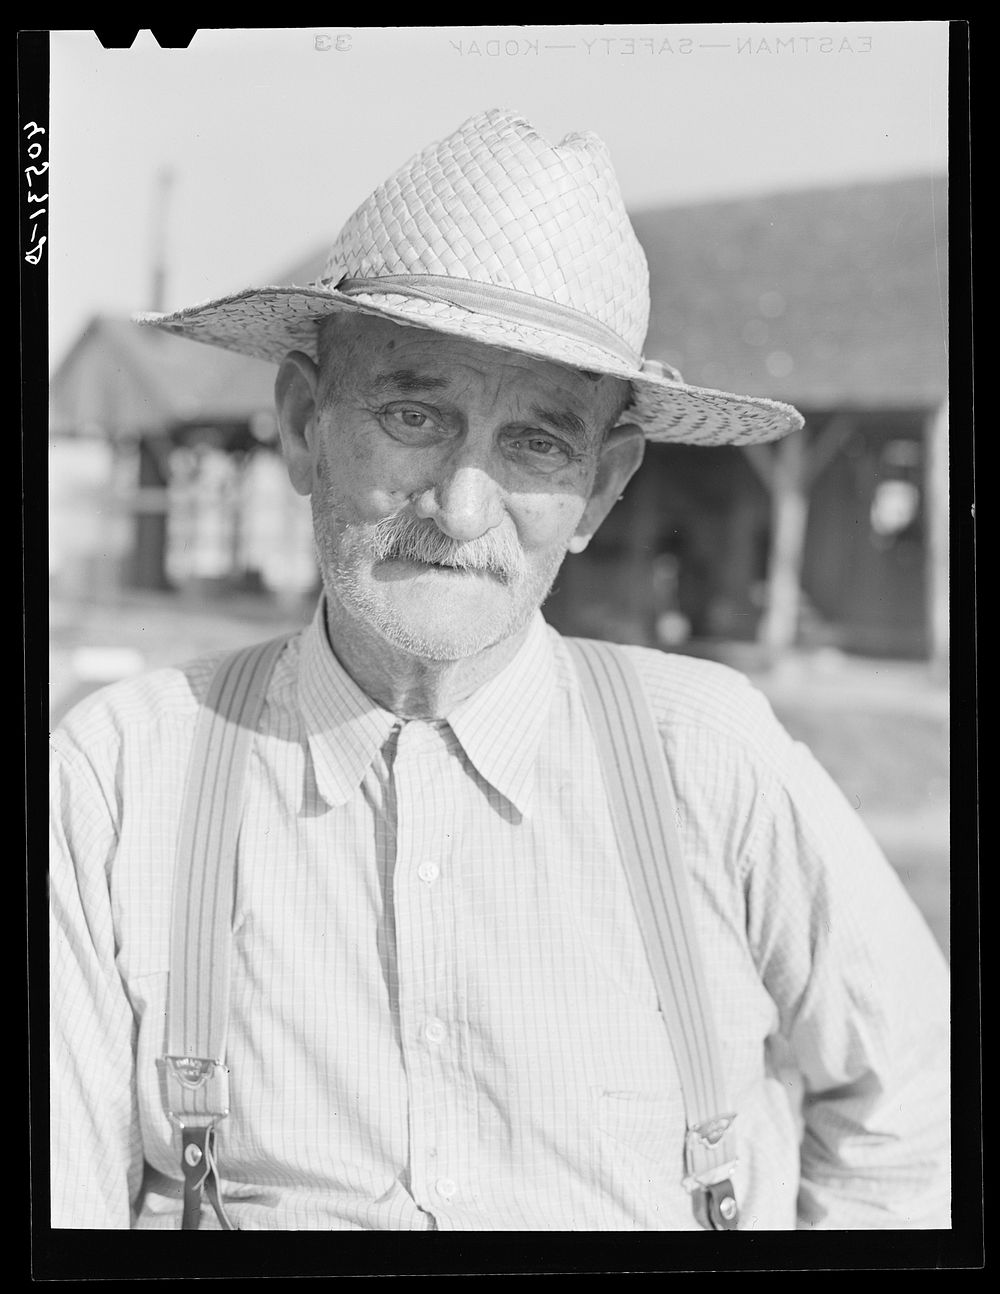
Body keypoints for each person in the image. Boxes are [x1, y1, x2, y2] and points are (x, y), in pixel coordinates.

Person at [49, 107, 950, 1232]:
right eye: (413, 412)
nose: (462, 508)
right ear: (299, 424)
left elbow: (915, 1112)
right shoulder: (120, 776)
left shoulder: (711, 760)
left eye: (537, 441)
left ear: (604, 487)